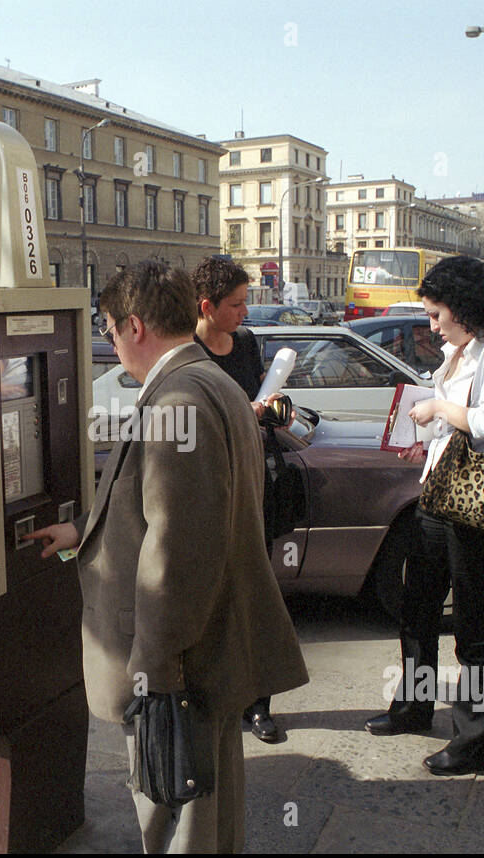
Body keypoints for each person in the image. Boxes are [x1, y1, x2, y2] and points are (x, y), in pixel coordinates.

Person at [29, 262, 308, 853]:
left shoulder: (177, 400)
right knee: (207, 800)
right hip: (205, 647)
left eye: (108, 329)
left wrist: (153, 668)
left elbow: (179, 550)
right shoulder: (210, 383)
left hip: (176, 661)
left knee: (176, 808)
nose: (110, 343)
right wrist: (81, 530)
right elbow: (167, 509)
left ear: (134, 325)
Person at [364, 256, 484, 776]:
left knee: (476, 627)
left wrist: (437, 412)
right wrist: (430, 440)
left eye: (437, 314)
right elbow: (458, 421)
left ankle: (475, 742)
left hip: (474, 505)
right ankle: (414, 707)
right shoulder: (465, 346)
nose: (431, 325)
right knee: (417, 608)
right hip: (438, 491)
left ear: (464, 307)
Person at [190, 256, 283, 744]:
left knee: (256, 592)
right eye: (237, 304)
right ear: (206, 307)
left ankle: (258, 704)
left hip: (252, 479)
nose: (246, 312)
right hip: (207, 488)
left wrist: (271, 413)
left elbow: (262, 400)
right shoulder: (186, 352)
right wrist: (236, 414)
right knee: (211, 597)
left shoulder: (246, 344)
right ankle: (214, 696)